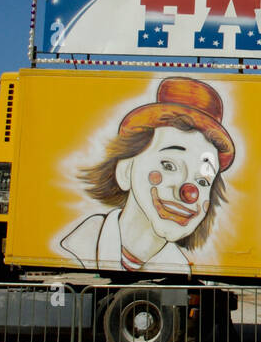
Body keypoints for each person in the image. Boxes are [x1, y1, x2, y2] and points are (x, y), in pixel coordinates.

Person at [58, 77, 235, 274]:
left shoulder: (179, 268)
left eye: (202, 181)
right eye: (169, 165)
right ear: (125, 170)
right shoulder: (76, 249)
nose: (189, 193)